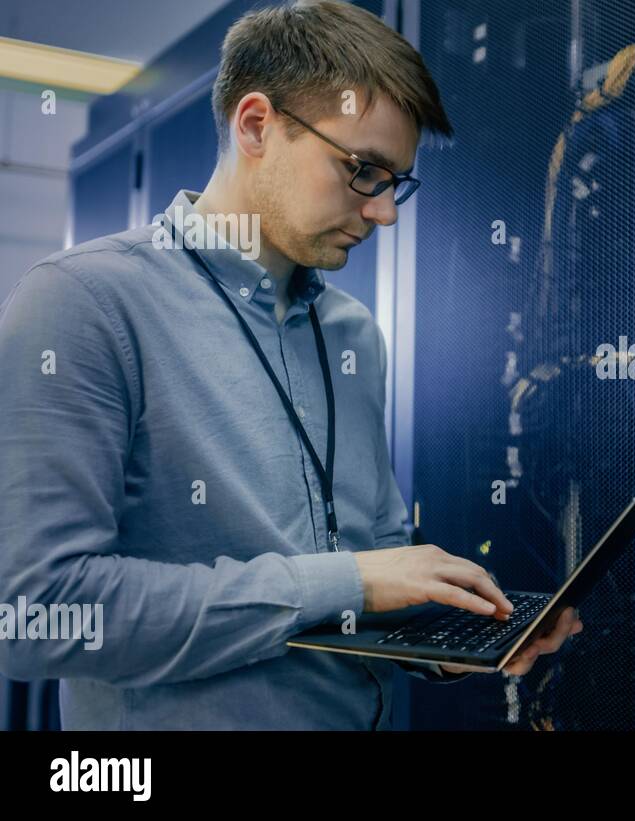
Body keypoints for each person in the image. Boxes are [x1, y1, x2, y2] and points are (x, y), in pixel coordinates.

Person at [0, 0, 580, 730]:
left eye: (395, 181)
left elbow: (374, 564)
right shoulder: (84, 304)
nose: (385, 213)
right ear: (255, 126)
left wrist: (456, 629)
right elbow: (37, 614)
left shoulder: (353, 334)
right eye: (363, 169)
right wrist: (348, 581)